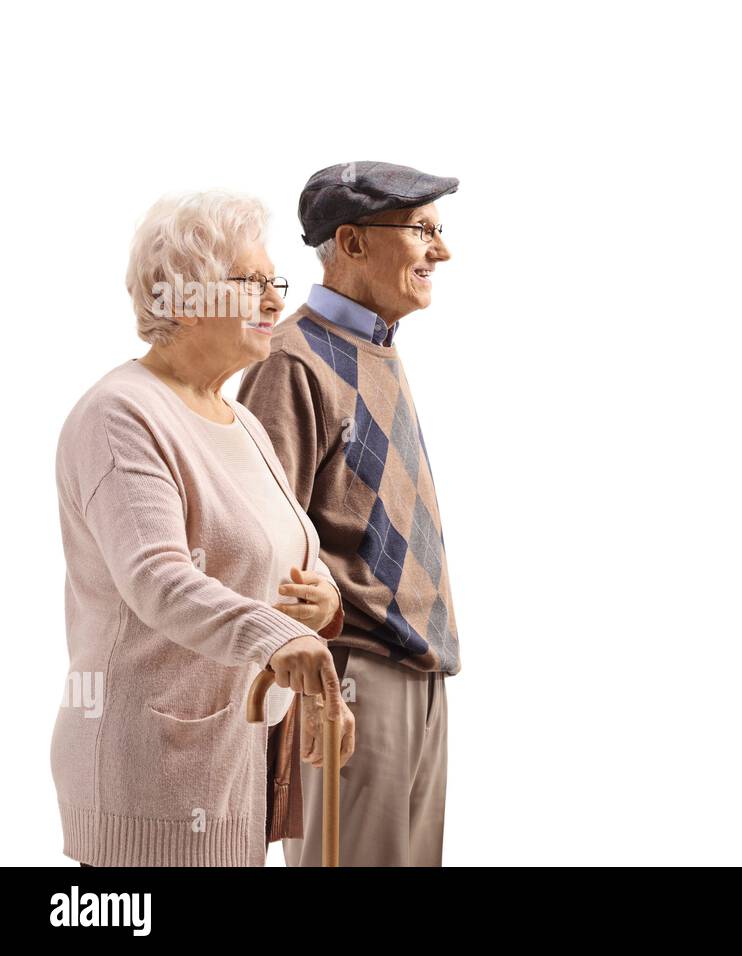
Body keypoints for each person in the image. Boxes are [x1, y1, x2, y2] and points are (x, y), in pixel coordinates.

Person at [52, 191, 355, 866]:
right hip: (150, 784)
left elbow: (280, 551)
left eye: (274, 283)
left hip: (239, 775)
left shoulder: (241, 420)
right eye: (251, 284)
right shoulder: (121, 414)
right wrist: (279, 638)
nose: (276, 303)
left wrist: (324, 604)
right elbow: (157, 578)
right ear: (184, 299)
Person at [238, 161, 461, 866]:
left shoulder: (377, 351)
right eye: (423, 231)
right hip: (352, 678)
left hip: (419, 677)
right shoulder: (292, 362)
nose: (442, 251)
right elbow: (256, 546)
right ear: (354, 242)